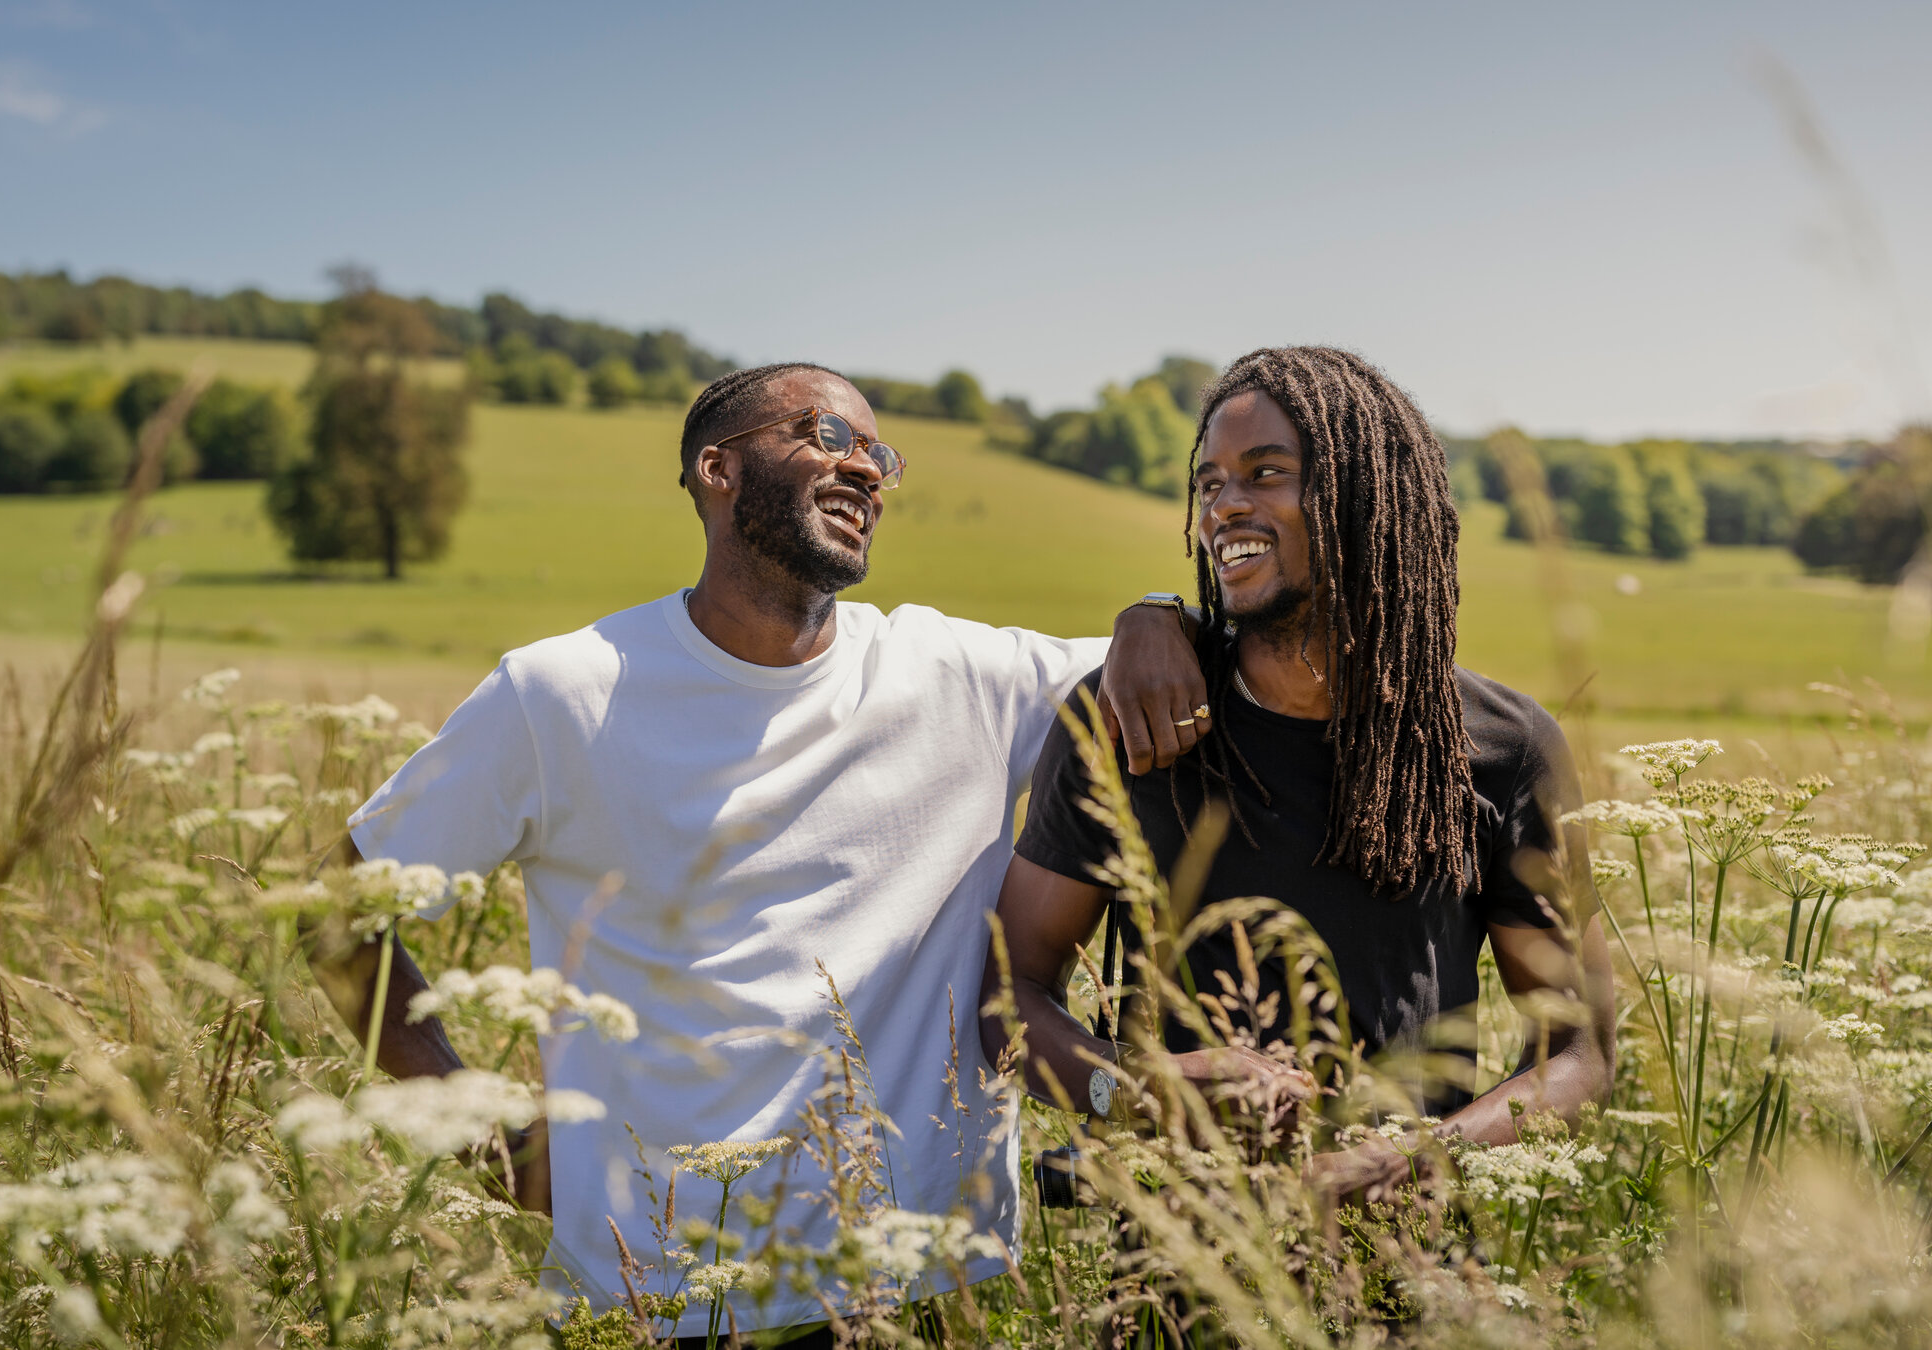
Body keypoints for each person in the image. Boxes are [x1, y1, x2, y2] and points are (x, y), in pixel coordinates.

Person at [328, 362, 1204, 1345]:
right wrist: (489, 1135)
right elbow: (333, 916)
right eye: (829, 436)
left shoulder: (961, 676)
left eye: (880, 456)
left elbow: (1194, 671)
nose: (866, 469)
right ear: (719, 469)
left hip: (921, 1288)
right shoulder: (561, 695)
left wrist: (1155, 611)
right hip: (656, 1294)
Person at [981, 346, 1615, 1199]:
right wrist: (1135, 1090)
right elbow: (1010, 994)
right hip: (1174, 1268)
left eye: (1266, 472)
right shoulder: (1128, 717)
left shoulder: (1504, 747)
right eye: (1209, 483)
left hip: (1406, 1262)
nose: (1225, 505)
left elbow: (1580, 1052)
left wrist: (1406, 1163)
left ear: (1365, 494)